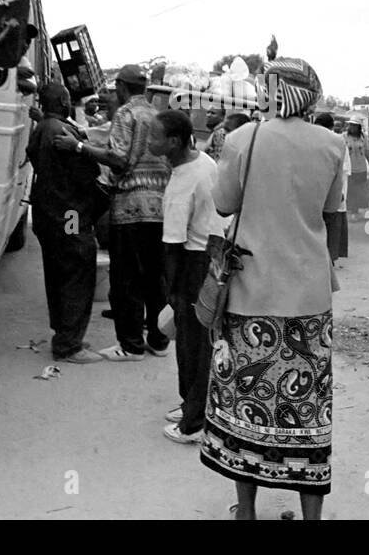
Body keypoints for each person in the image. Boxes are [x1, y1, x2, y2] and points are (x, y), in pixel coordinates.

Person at [201, 58, 343, 520]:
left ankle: (246, 511)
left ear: (272, 90)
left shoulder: (243, 138)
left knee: (246, 403)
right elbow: (328, 209)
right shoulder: (333, 143)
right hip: (309, 295)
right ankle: (310, 518)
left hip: (251, 291)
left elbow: (224, 203)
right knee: (307, 411)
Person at [52, 64, 171, 360]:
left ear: (120, 87)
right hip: (159, 208)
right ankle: (158, 341)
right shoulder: (158, 116)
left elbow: (117, 159)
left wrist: (77, 146)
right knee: (154, 279)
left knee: (126, 279)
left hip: (130, 208)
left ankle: (130, 345)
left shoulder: (125, 114)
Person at [149, 109, 225, 444]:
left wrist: (172, 290)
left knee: (190, 344)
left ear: (173, 141)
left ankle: (193, 422)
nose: (148, 141)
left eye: (154, 136)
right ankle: (193, 405)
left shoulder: (182, 181)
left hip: (192, 262)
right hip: (212, 255)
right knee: (200, 341)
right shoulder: (204, 161)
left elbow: (172, 244)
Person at [26, 83, 104, 363]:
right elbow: (88, 173)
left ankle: (65, 334)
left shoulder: (42, 127)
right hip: (69, 215)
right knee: (77, 268)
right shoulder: (61, 133)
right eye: (68, 99)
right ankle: (69, 344)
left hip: (48, 213)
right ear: (62, 100)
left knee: (59, 274)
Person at [314, 112, 350, 265]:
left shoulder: (338, 142)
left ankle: (328, 258)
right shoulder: (334, 142)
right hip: (323, 190)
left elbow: (344, 170)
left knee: (329, 223)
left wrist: (340, 191)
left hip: (329, 190)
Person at [345, 118, 369, 219]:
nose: (351, 127)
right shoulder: (344, 136)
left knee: (359, 190)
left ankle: (355, 209)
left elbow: (367, 152)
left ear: (359, 127)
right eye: (350, 125)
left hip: (361, 167)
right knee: (351, 189)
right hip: (349, 168)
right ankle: (352, 210)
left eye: (354, 125)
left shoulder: (363, 137)